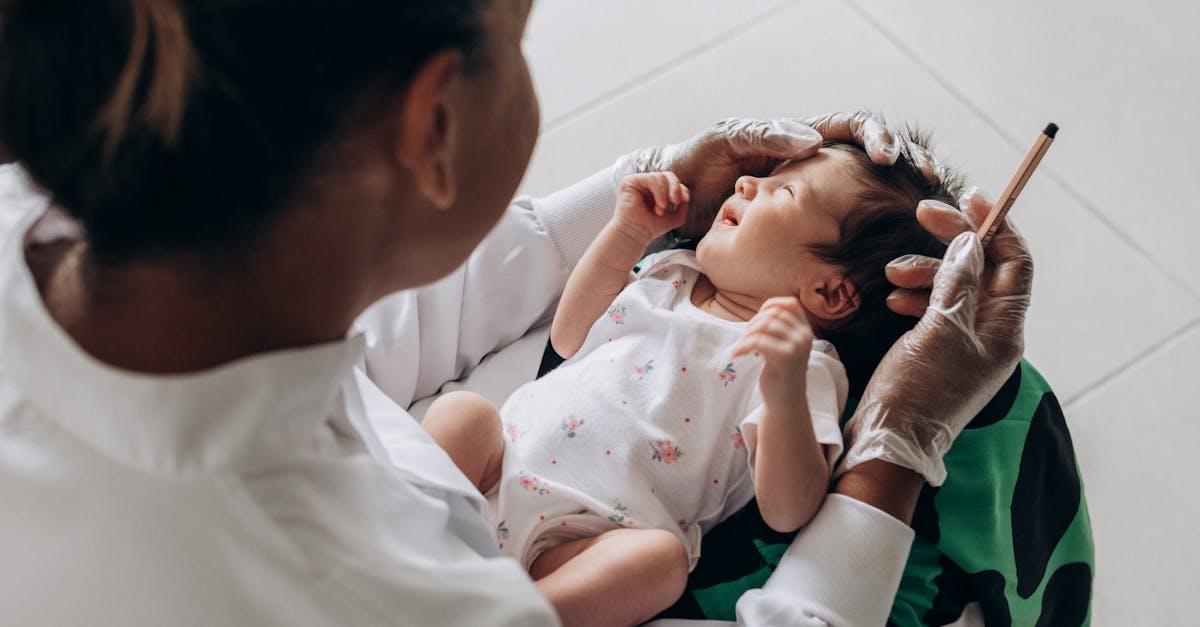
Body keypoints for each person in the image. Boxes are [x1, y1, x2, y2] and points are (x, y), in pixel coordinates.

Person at [0, 1, 1033, 626]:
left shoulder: (53, 235)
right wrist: (899, 442)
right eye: (519, 39)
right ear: (432, 120)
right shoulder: (357, 591)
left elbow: (386, 319)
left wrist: (651, 197)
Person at [420, 139, 965, 625]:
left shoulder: (804, 364)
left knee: (658, 563)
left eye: (784, 192)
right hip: (501, 465)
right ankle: (400, 527)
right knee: (463, 414)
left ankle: (510, 617)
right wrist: (626, 233)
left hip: (586, 540)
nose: (749, 182)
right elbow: (568, 338)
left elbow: (788, 510)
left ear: (828, 293)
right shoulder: (670, 275)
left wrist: (782, 389)